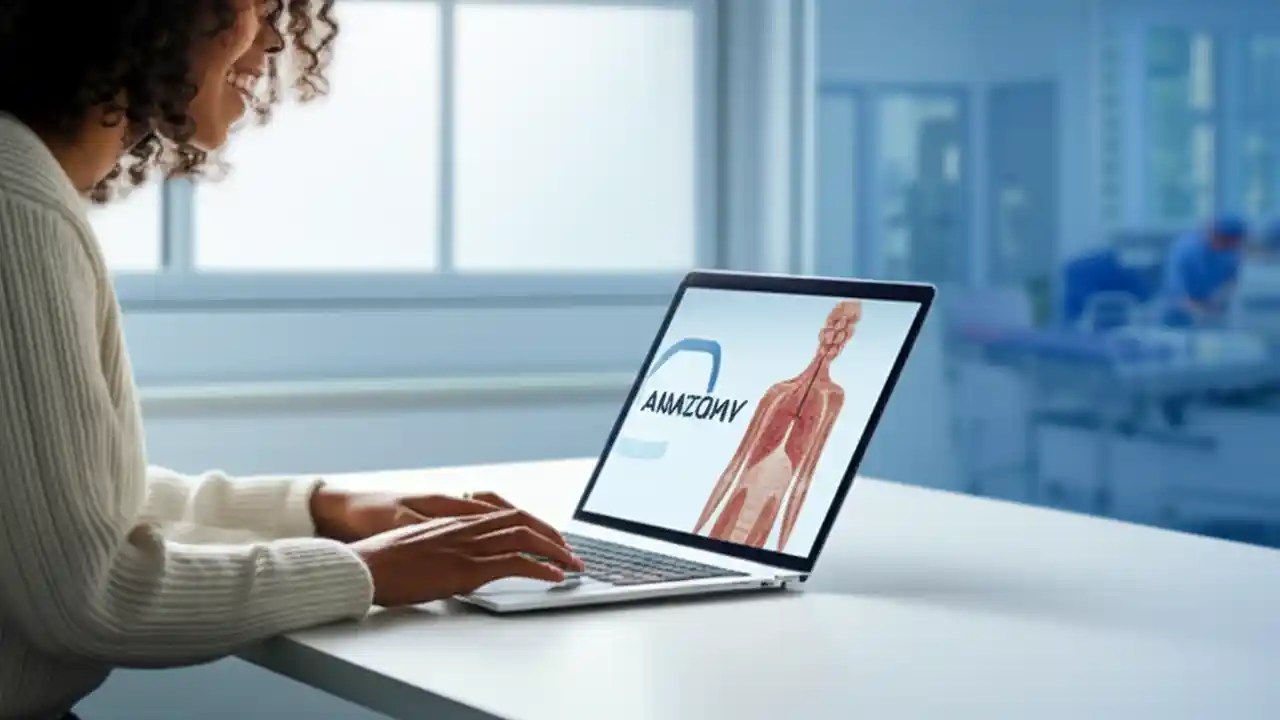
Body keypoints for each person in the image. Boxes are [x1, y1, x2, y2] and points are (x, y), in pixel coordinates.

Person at [0, 2, 584, 718]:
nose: (274, 35)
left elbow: (54, 508)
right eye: (252, 5)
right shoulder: (15, 207)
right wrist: (366, 571)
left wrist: (316, 510)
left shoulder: (24, 183)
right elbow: (89, 596)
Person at [1158, 215, 1248, 327]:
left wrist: (1218, 304)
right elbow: (1175, 294)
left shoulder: (1230, 254)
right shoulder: (1185, 250)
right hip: (1174, 316)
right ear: (1215, 234)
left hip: (1209, 315)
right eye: (1229, 242)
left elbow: (1229, 284)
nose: (1233, 247)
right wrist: (1200, 310)